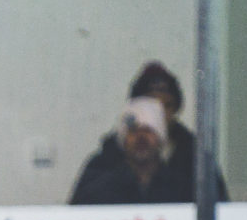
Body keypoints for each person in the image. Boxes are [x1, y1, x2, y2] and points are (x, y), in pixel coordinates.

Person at [69, 65, 228, 203]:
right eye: (149, 104)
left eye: (167, 105)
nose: (159, 112)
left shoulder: (198, 163)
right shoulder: (103, 164)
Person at [70, 99, 205, 205]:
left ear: (161, 138)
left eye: (148, 130)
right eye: (133, 131)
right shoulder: (98, 189)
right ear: (123, 140)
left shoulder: (184, 188)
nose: (141, 137)